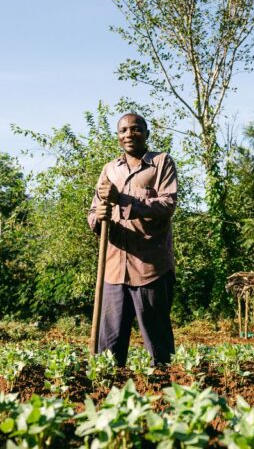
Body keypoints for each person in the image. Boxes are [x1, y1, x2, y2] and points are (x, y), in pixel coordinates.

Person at [87, 113, 177, 366]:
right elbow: (94, 212)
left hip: (150, 268)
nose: (129, 134)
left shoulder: (161, 163)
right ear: (118, 137)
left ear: (146, 133)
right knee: (109, 347)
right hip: (113, 268)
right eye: (123, 130)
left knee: (158, 344)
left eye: (135, 129)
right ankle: (107, 394)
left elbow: (167, 204)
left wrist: (123, 200)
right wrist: (98, 217)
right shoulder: (110, 170)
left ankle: (165, 393)